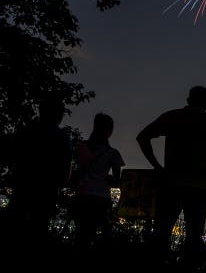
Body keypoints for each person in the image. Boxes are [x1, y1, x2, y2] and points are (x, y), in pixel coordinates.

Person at [136, 86, 206, 261]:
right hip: (198, 186)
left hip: (170, 184)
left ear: (188, 99)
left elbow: (142, 137)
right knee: (194, 237)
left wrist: (157, 166)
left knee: (161, 234)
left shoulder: (172, 117)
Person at [8, 100, 72, 242]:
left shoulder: (26, 131)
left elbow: (14, 157)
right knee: (39, 227)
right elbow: (65, 164)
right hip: (47, 190)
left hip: (22, 187)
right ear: (58, 115)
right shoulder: (61, 137)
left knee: (16, 227)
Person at [71, 113, 124, 249]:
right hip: (101, 197)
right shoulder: (113, 153)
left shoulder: (81, 147)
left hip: (82, 195)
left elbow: (77, 170)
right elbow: (116, 181)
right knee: (105, 234)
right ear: (110, 131)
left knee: (81, 234)